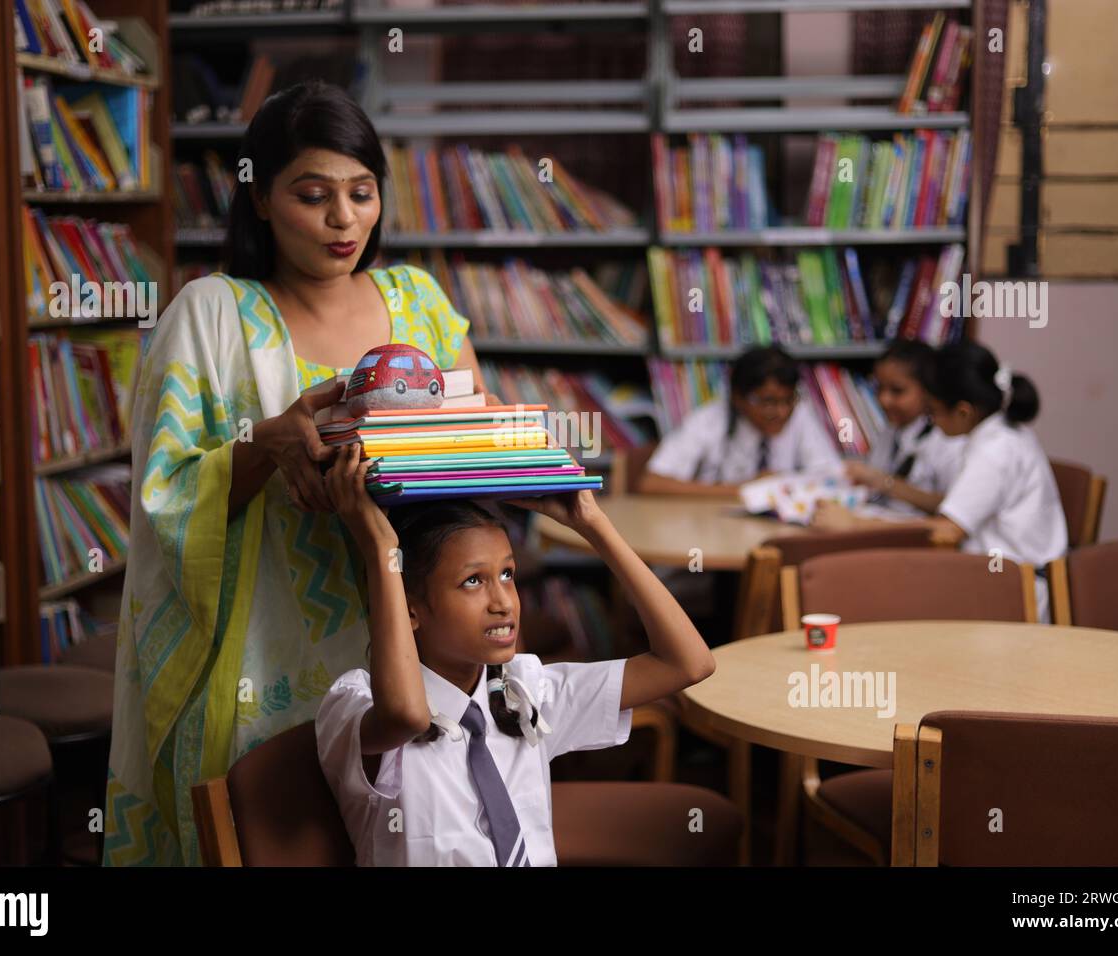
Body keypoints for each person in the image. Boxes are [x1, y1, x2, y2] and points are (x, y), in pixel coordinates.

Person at [104, 80, 495, 865]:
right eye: (313, 195)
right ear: (259, 200)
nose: (343, 218)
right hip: (255, 658)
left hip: (407, 645)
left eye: (361, 192)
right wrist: (268, 446)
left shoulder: (417, 299)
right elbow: (165, 493)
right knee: (270, 837)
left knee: (414, 830)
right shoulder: (210, 314)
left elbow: (477, 444)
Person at [316, 444, 716, 865]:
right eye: (473, 581)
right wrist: (381, 547)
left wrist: (593, 525)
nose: (504, 601)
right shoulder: (354, 702)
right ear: (409, 608)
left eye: (507, 574)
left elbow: (688, 663)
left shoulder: (523, 692)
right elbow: (408, 717)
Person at [814, 340, 1067, 620]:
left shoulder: (994, 452)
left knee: (871, 596)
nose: (931, 421)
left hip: (1012, 593)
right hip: (999, 577)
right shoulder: (1000, 434)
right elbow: (953, 511)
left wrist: (857, 525)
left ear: (963, 412)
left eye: (933, 411)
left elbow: (946, 530)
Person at [639, 345, 841, 496]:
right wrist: (743, 490)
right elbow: (651, 483)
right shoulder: (709, 420)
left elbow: (831, 477)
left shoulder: (800, 415)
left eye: (789, 400)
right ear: (738, 397)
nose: (781, 412)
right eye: (768, 401)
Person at [846, 339, 965, 515]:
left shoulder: (946, 438)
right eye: (879, 388)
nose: (883, 400)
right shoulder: (891, 430)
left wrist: (885, 483)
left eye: (897, 390)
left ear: (927, 390)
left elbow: (953, 505)